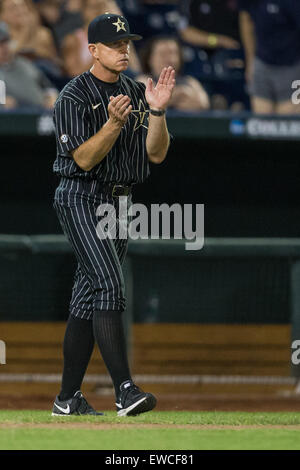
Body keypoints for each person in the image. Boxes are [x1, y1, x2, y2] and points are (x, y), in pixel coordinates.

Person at [52, 12, 175, 416]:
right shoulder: (72, 95)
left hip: (121, 203)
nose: (124, 50)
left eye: (126, 44)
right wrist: (112, 123)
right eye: (115, 45)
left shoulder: (136, 91)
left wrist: (156, 112)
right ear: (93, 50)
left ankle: (67, 399)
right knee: (108, 283)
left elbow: (156, 153)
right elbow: (84, 159)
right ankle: (125, 389)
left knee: (87, 300)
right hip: (82, 196)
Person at [239, 0, 300, 114]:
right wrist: (250, 60)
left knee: (288, 123)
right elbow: (245, 18)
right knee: (262, 122)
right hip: (262, 63)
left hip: (292, 67)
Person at [61, 0, 141, 78]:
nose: (98, 11)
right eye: (93, 7)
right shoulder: (73, 39)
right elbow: (73, 75)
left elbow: (135, 69)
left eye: (102, 6)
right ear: (84, 10)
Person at [137, 36, 209, 112]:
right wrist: (181, 93)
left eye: (173, 53)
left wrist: (167, 101)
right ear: (149, 59)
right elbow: (145, 103)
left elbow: (204, 104)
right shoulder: (143, 80)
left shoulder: (190, 81)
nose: (169, 59)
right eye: (163, 54)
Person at [0, 21, 58, 109]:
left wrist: (52, 97)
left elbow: (47, 86)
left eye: (6, 42)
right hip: (13, 118)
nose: (4, 47)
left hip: (40, 113)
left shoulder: (24, 63)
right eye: (0, 44)